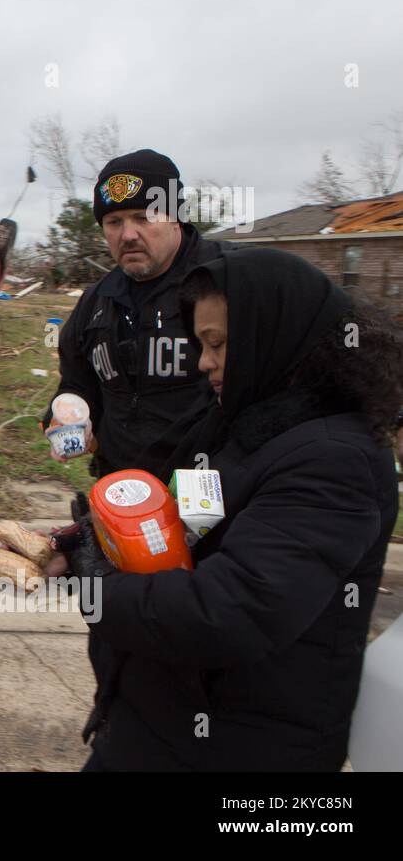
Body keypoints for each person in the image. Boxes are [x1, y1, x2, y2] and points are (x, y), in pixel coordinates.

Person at [66, 247, 402, 770]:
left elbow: (227, 612)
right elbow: (183, 530)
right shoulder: (244, 430)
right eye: (201, 344)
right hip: (161, 726)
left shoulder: (337, 462)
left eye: (218, 344)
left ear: (274, 336)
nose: (204, 363)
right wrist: (85, 541)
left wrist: (95, 587)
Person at [44, 149, 229, 482]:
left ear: (175, 217)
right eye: (114, 222)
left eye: (143, 217)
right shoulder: (96, 301)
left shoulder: (229, 280)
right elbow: (77, 381)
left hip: (215, 494)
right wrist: (69, 414)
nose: (127, 235)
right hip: (122, 495)